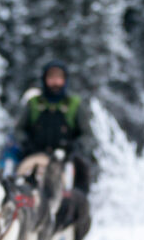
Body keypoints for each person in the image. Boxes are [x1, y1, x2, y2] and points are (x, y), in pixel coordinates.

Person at [14, 60, 93, 192]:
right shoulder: (33, 104)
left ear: (65, 80)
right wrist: (25, 143)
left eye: (59, 78)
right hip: (34, 157)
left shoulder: (74, 105)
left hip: (66, 159)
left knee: (80, 176)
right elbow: (19, 129)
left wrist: (76, 147)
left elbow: (87, 134)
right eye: (51, 78)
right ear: (45, 79)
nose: (55, 82)